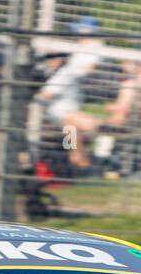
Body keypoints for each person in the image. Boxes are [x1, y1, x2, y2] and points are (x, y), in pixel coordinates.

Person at [36, 17, 103, 172]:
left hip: (66, 117)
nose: (53, 60)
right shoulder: (60, 73)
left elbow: (45, 96)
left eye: (56, 57)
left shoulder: (67, 69)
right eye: (50, 58)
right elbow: (44, 96)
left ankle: (80, 163)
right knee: (72, 123)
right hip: (60, 116)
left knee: (71, 129)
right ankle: (103, 136)